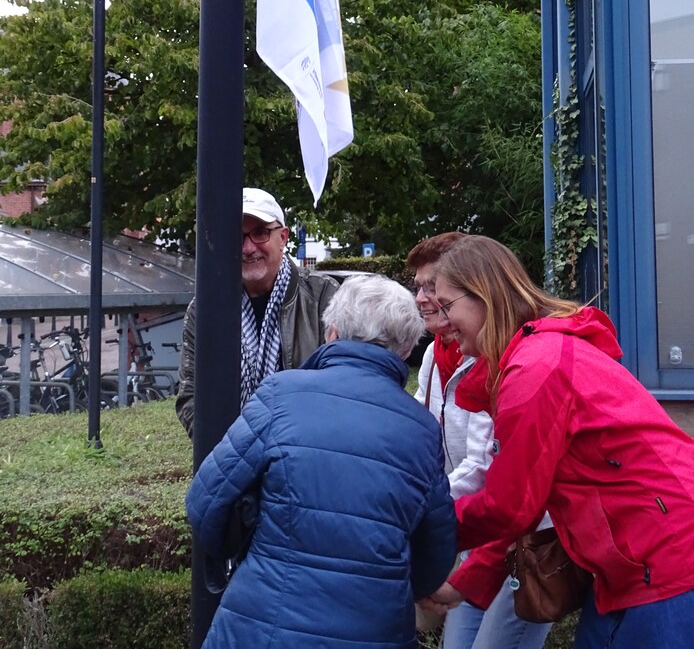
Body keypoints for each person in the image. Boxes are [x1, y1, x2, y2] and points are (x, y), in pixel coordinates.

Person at [421, 234, 694, 649]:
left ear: (484, 295)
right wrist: (468, 579)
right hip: (638, 561)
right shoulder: (539, 354)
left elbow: (509, 505)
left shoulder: (535, 368)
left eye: (446, 305)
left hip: (664, 560)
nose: (441, 321)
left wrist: (422, 528)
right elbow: (523, 503)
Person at [186, 274, 458, 649]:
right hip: (376, 629)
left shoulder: (281, 394)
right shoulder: (422, 429)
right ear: (409, 346)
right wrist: (392, 584)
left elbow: (206, 499)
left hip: (261, 625)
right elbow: (437, 547)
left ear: (332, 332)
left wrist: (243, 553)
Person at [409, 233, 551, 649]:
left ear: (478, 291)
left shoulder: (521, 365)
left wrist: (420, 515)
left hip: (528, 542)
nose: (422, 300)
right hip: (486, 527)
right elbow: (420, 429)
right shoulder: (438, 354)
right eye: (420, 288)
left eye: (436, 292)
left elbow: (498, 484)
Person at [176, 187, 338, 437]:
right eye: (236, 236)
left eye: (260, 233)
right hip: (231, 453)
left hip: (304, 450)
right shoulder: (205, 309)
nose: (248, 248)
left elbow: (340, 390)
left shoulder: (323, 298)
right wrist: (232, 450)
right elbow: (190, 398)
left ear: (283, 237)